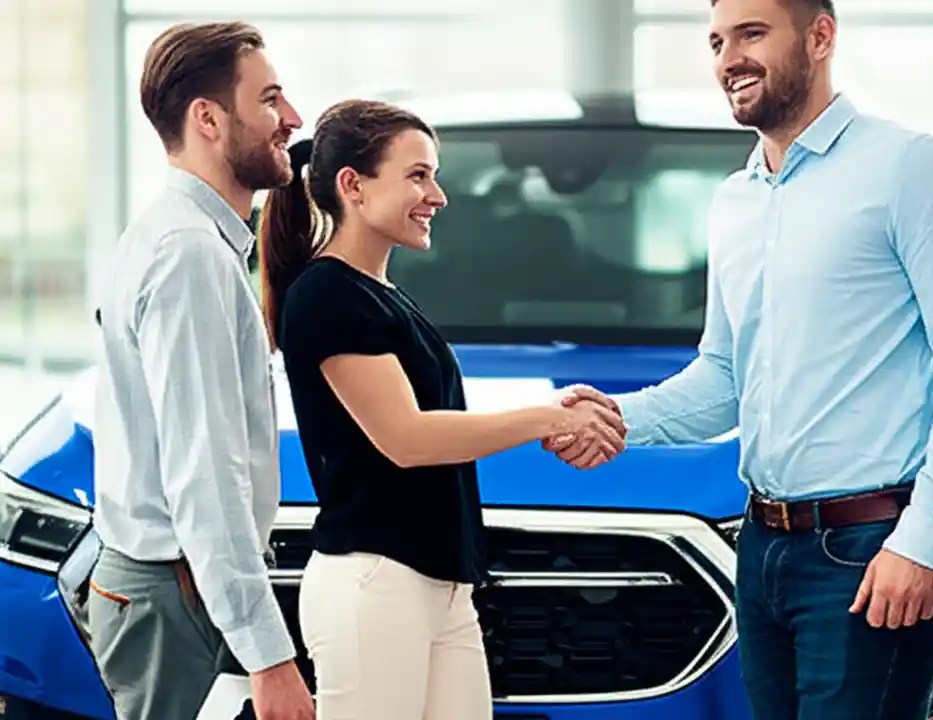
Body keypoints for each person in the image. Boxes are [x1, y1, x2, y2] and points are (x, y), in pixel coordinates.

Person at [547, 0, 933, 717]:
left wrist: (921, 539)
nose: (729, 58)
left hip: (870, 546)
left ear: (820, 36)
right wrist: (610, 419)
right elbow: (723, 378)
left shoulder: (911, 167)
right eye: (717, 41)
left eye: (752, 34)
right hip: (761, 548)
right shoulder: (737, 200)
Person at [256, 99, 626, 720]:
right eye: (418, 175)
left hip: (441, 585)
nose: (439, 196)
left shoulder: (382, 295)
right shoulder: (326, 295)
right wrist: (550, 416)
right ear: (353, 185)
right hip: (376, 584)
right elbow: (407, 438)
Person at [88, 21, 314, 720]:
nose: (293, 119)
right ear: (209, 119)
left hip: (178, 588)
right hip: (177, 592)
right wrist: (270, 658)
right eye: (271, 99)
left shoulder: (185, 240)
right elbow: (205, 470)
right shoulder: (189, 256)